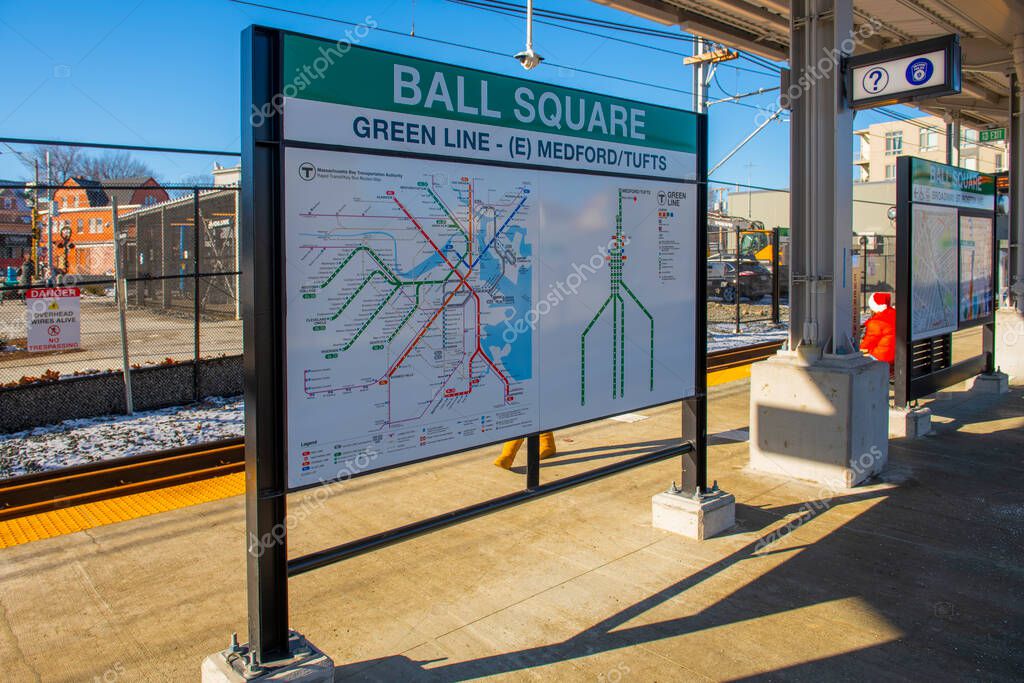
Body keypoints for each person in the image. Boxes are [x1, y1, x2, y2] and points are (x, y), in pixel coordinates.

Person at [860, 291, 896, 371]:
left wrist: (858, 348)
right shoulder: (895, 314)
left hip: (883, 358)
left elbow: (867, 345)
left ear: (874, 307)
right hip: (895, 355)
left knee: (858, 361)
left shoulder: (876, 322)